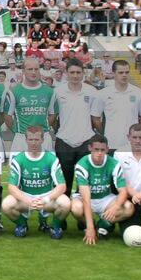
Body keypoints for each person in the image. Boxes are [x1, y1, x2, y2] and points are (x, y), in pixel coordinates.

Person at [49, 58, 97, 223]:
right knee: (64, 184)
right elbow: (53, 117)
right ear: (66, 74)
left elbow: (95, 117)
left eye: (78, 72)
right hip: (64, 141)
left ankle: (82, 220)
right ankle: (60, 220)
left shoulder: (92, 92)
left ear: (83, 73)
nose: (75, 76)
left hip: (86, 141)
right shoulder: (58, 91)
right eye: (72, 73)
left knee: (84, 185)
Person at [2, 125, 69, 239]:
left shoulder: (51, 158)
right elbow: (12, 187)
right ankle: (22, 224)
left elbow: (62, 186)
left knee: (66, 203)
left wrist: (45, 200)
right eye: (31, 139)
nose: (33, 143)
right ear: (26, 140)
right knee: (6, 205)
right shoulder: (18, 159)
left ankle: (55, 226)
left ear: (42, 140)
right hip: (26, 197)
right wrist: (28, 201)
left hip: (47, 197)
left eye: (37, 139)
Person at [70, 135, 133, 245]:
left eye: (102, 150)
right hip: (86, 198)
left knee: (129, 208)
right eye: (96, 149)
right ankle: (90, 225)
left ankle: (103, 224)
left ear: (107, 149)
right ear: (90, 148)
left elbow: (123, 191)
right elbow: (86, 198)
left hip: (105, 198)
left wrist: (116, 207)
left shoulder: (114, 163)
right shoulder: (82, 164)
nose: (99, 153)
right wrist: (90, 228)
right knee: (76, 208)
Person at [91, 59, 141, 154]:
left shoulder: (139, 93)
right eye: (121, 72)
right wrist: (104, 133)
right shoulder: (103, 94)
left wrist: (137, 133)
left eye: (127, 72)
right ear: (113, 73)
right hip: (111, 144)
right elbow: (95, 118)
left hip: (132, 145)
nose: (124, 75)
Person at [4, 57, 55, 153]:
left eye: (36, 69)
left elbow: (53, 115)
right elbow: (7, 116)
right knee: (19, 167)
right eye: (30, 69)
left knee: (44, 168)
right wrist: (18, 130)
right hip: (21, 138)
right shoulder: (14, 91)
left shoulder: (49, 91)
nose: (33, 72)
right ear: (23, 71)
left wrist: (43, 129)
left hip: (43, 137)